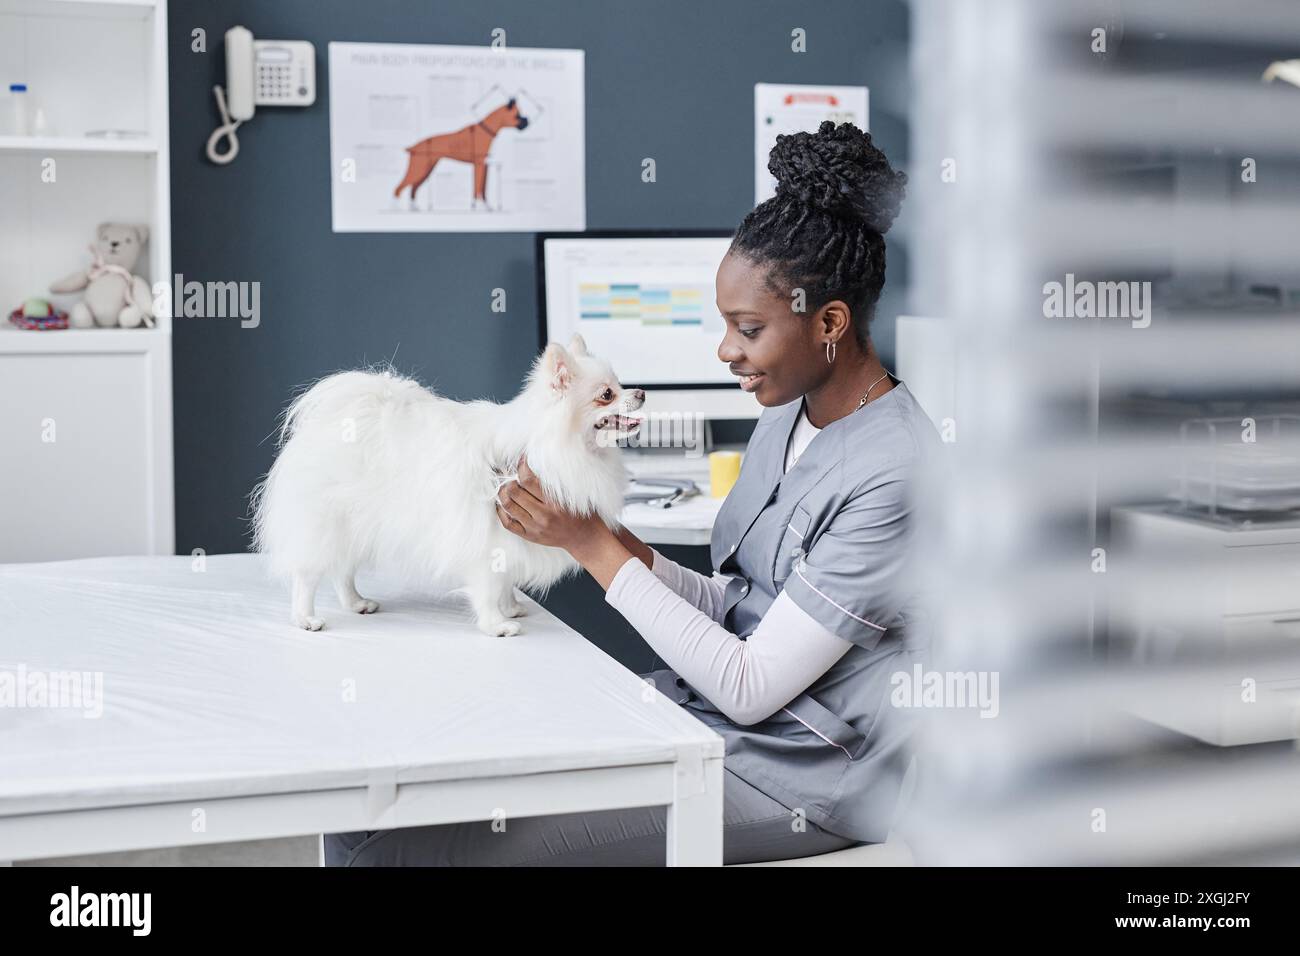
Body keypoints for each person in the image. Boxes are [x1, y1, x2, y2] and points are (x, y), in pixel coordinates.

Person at [325, 121, 940, 866]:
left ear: (831, 323)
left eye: (748, 329)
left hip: (801, 775)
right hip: (707, 713)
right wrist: (611, 542)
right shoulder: (788, 418)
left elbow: (749, 683)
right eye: (724, 324)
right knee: (370, 793)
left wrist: (590, 546)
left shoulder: (896, 470)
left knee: (410, 848)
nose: (724, 351)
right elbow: (735, 604)